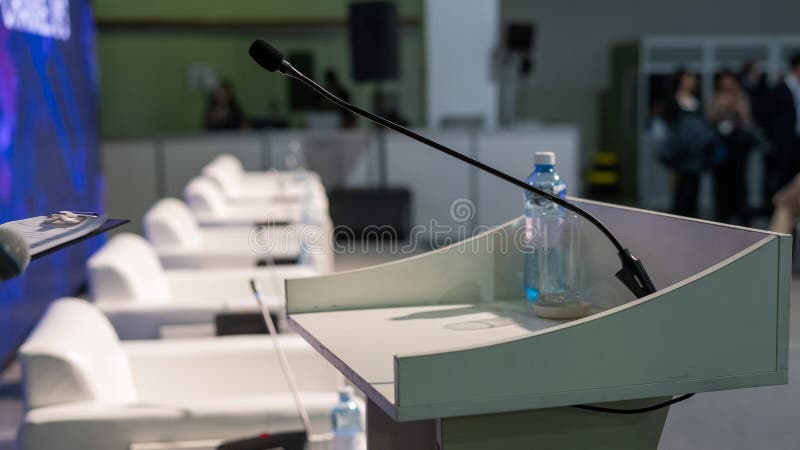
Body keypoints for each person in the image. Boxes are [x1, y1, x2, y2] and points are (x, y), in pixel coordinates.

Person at [659, 70, 718, 218]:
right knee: (680, 189)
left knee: (693, 189)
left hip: (696, 151)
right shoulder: (673, 101)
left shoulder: (697, 101)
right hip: (679, 152)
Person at [707, 70, 756, 224]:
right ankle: (722, 217)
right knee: (721, 184)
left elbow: (747, 119)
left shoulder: (741, 97)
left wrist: (736, 104)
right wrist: (723, 106)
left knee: (740, 183)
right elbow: (710, 117)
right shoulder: (715, 98)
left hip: (738, 146)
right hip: (721, 146)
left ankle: (744, 217)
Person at [768, 53, 800, 233]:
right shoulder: (781, 88)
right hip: (786, 144)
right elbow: (769, 116)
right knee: (785, 194)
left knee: (785, 199)